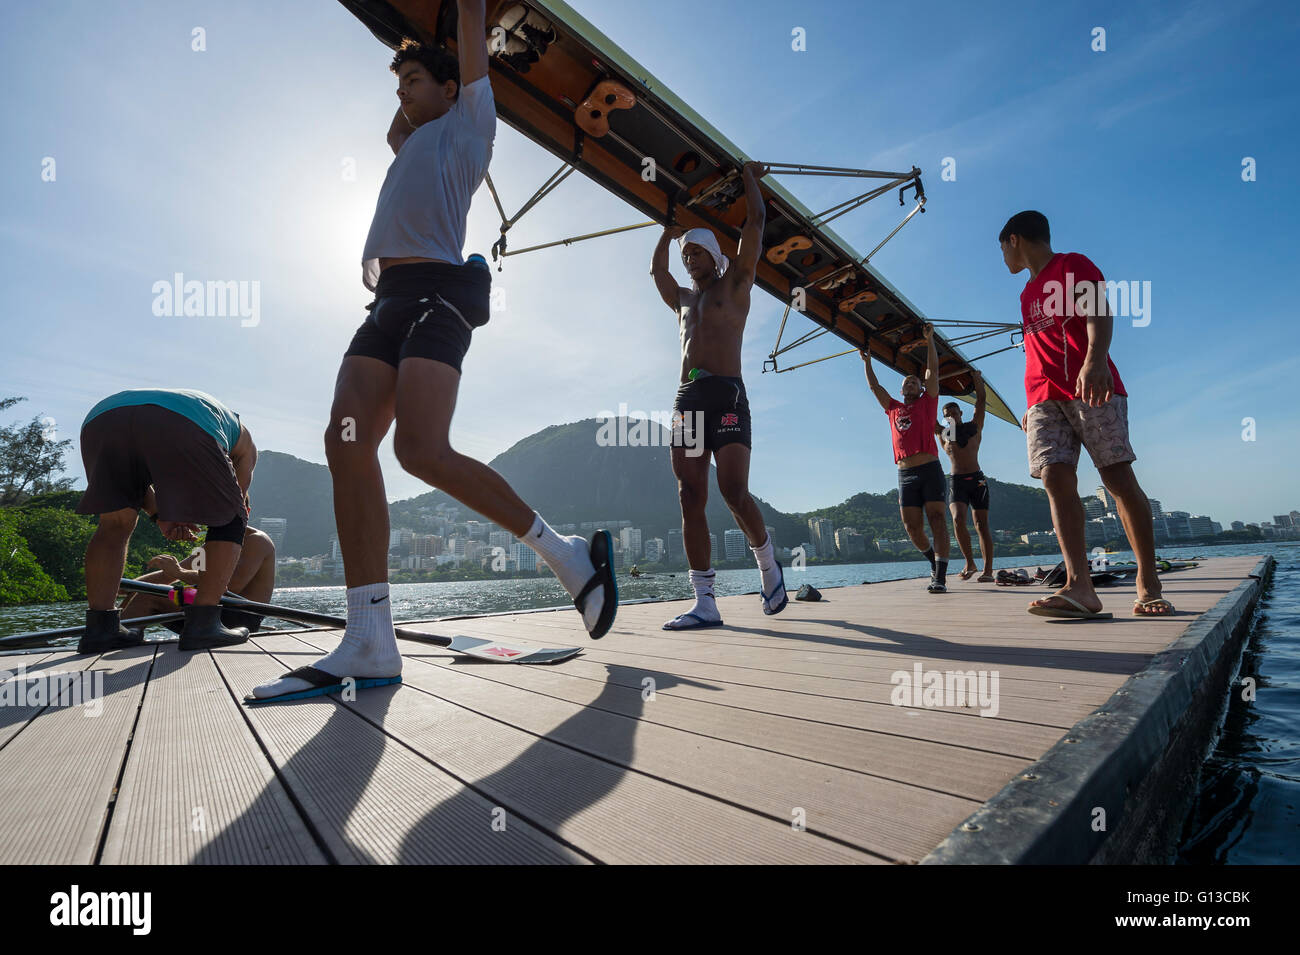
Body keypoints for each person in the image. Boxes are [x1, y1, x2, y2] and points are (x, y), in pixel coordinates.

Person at [251, 1, 616, 702]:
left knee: (420, 449)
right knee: (344, 439)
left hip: (440, 293)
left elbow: (471, 42)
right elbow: (395, 121)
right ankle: (369, 637)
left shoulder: (469, 128)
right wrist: (407, 64)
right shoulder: (412, 137)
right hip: (385, 302)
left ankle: (567, 556)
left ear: (451, 89)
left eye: (414, 82)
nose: (402, 95)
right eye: (398, 86)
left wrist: (457, 25)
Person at [999, 209, 1171, 617]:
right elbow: (1037, 350)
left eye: (1002, 249)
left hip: (1088, 386)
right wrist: (1031, 404)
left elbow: (1098, 310)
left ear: (1014, 240)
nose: (1003, 259)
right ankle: (1080, 587)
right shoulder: (1025, 295)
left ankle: (1148, 580)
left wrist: (1095, 360)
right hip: (1043, 397)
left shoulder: (1071, 265)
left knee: (1116, 477)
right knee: (1055, 478)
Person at [650, 162, 787, 630]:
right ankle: (705, 601)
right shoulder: (684, 302)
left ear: (713, 255)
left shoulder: (737, 283)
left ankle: (767, 564)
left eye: (695, 252)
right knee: (690, 494)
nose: (689, 260)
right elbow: (657, 275)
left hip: (727, 396)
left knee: (733, 491)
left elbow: (755, 223)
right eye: (685, 255)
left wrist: (751, 178)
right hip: (688, 398)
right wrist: (666, 238)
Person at [74, 388, 257, 652]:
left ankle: (101, 630)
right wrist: (219, 514)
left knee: (115, 523)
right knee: (232, 517)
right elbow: (234, 504)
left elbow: (136, 489)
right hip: (181, 421)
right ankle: (204, 624)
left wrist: (160, 515)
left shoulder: (208, 418)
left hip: (101, 419)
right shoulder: (244, 442)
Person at [861, 325, 950, 593]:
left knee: (937, 519)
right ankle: (933, 562)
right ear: (901, 391)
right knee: (912, 528)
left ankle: (941, 577)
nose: (909, 383)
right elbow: (875, 387)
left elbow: (933, 371)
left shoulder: (928, 401)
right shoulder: (893, 408)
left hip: (930, 469)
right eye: (905, 382)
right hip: (905, 474)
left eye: (914, 381)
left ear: (921, 386)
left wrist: (930, 341)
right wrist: (867, 362)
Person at [120, 492, 275, 635]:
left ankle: (119, 637)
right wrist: (125, 587)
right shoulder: (212, 545)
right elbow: (167, 575)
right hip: (207, 606)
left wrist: (179, 573)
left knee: (149, 595)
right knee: (137, 592)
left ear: (246, 511)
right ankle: (120, 633)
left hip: (240, 617)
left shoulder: (257, 540)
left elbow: (231, 586)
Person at [935, 370, 994, 581]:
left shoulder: (974, 427)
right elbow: (925, 412)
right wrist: (929, 386)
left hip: (976, 479)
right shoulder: (944, 434)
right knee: (958, 519)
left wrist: (978, 381)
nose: (951, 415)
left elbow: (981, 401)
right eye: (946, 413)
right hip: (956, 481)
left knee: (981, 524)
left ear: (960, 412)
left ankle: (988, 570)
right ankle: (970, 563)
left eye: (954, 412)